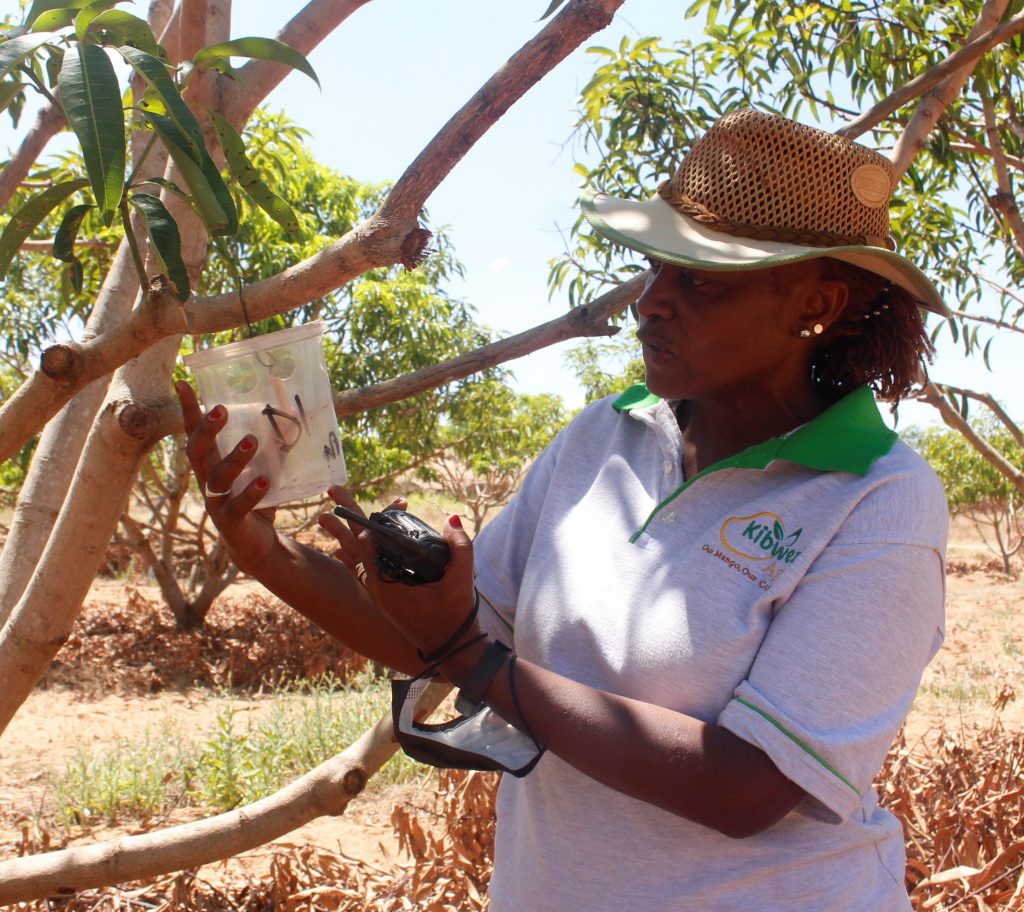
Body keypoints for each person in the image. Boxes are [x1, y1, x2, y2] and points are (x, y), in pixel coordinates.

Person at [178, 108, 949, 911]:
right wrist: (263, 550)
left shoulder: (877, 499)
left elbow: (746, 788)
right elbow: (441, 641)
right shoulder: (604, 439)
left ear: (815, 305)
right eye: (656, 268)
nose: (652, 302)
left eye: (700, 280)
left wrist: (471, 656)